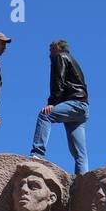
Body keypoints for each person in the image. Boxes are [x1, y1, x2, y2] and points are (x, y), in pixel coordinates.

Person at [30, 40, 89, 175]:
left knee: (45, 115)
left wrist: (52, 103)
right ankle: (83, 180)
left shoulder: (60, 57)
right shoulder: (73, 60)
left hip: (75, 103)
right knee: (79, 152)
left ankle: (37, 154)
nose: (49, 54)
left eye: (50, 50)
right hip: (82, 107)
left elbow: (58, 81)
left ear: (57, 48)